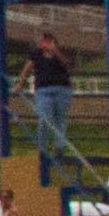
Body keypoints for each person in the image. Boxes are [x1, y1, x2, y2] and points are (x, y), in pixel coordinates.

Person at [27, 30, 83, 169]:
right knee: (44, 119)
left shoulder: (61, 53)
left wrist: (55, 52)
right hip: (43, 90)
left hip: (62, 90)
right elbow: (28, 67)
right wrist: (20, 82)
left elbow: (68, 64)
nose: (45, 44)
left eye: (48, 41)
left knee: (60, 120)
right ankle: (42, 149)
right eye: (43, 41)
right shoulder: (36, 55)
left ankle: (59, 148)